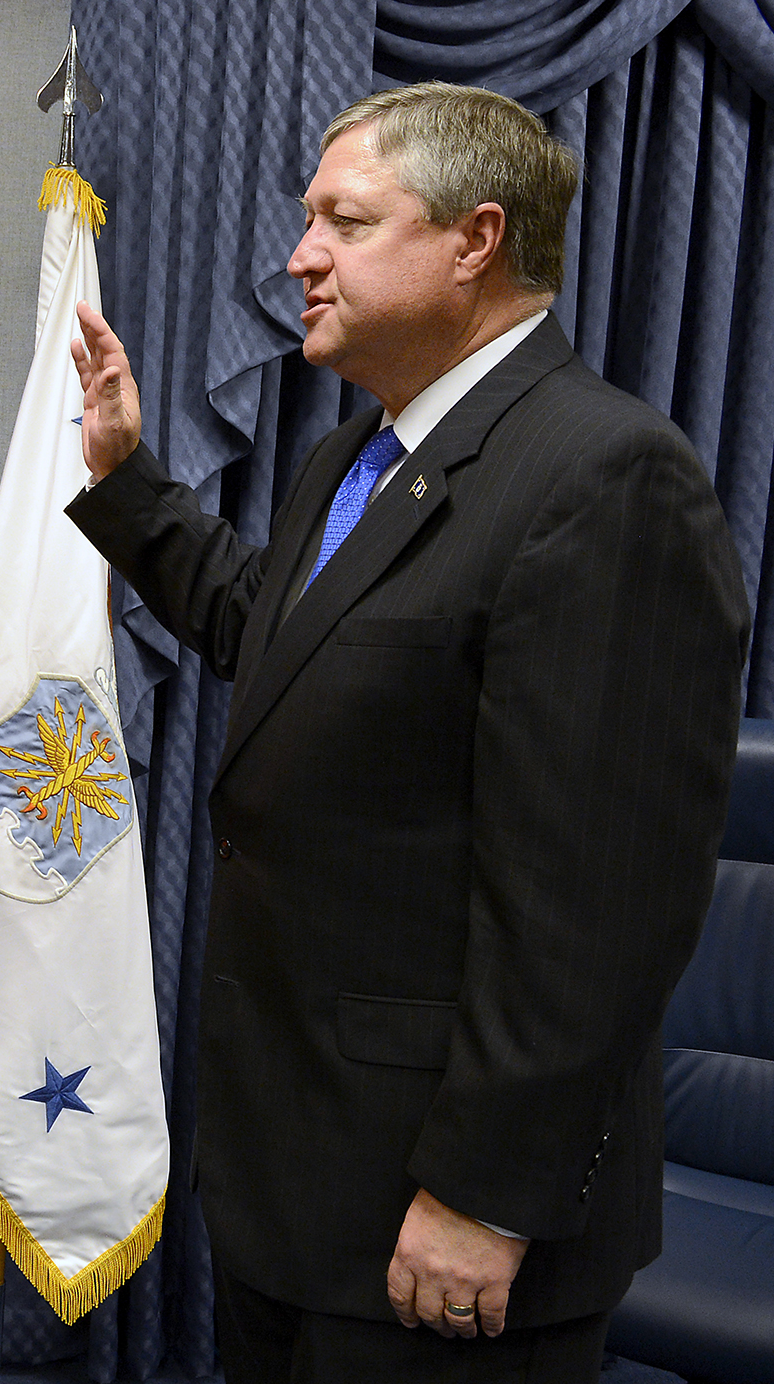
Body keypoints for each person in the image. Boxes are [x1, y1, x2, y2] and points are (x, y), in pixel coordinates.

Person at [65, 83, 748, 1382]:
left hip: (441, 1222)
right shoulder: (358, 458)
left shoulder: (605, 479)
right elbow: (277, 632)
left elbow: (597, 901)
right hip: (300, 1186)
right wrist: (127, 480)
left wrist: (487, 1197)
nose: (298, 254)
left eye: (343, 220)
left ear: (474, 240)